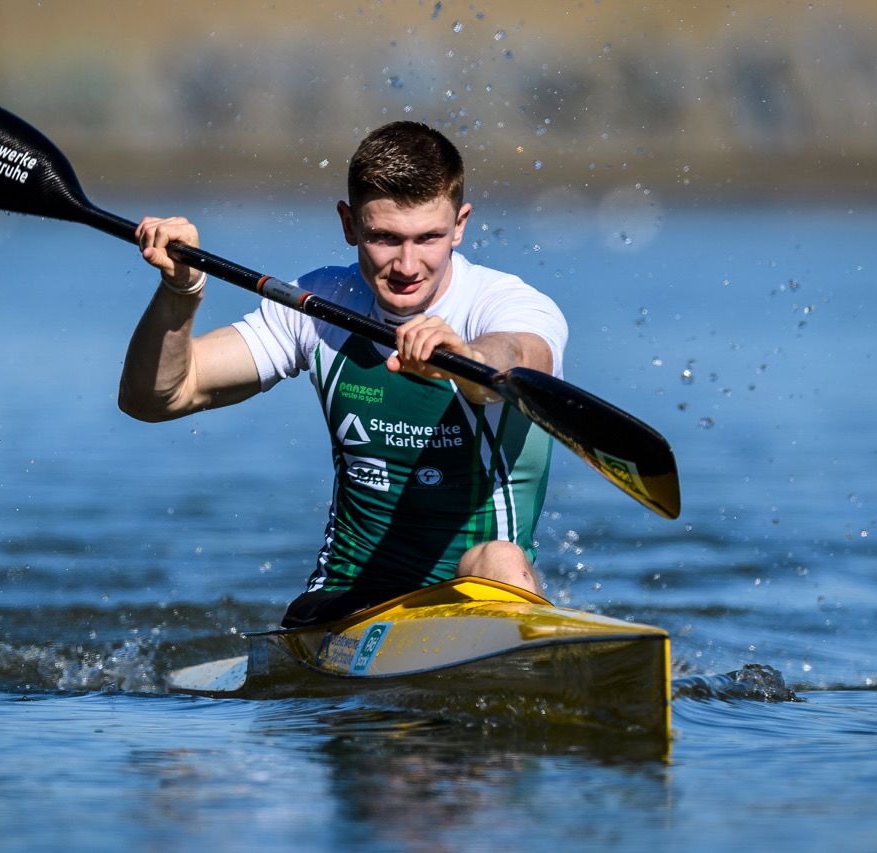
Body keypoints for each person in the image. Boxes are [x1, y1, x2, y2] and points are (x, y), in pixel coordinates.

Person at [118, 121, 568, 627]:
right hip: (349, 599)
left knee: (503, 560)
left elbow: (518, 356)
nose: (406, 264)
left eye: (429, 238)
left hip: (478, 591)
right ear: (349, 224)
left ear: (460, 224)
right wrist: (182, 291)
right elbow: (156, 398)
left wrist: (462, 357)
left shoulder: (509, 305)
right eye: (384, 237)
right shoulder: (316, 304)